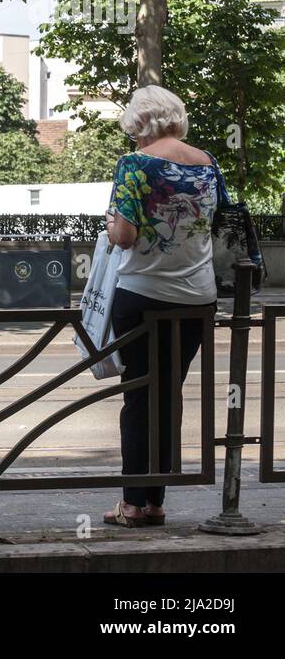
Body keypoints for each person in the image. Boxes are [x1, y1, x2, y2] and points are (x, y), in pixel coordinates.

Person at [103, 85, 224, 528]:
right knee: (168, 393)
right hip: (197, 297)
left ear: (141, 122)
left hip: (143, 294)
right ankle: (155, 501)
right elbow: (214, 221)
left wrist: (113, 222)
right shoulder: (208, 162)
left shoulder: (135, 164)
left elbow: (125, 237)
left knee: (139, 396)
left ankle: (132, 504)